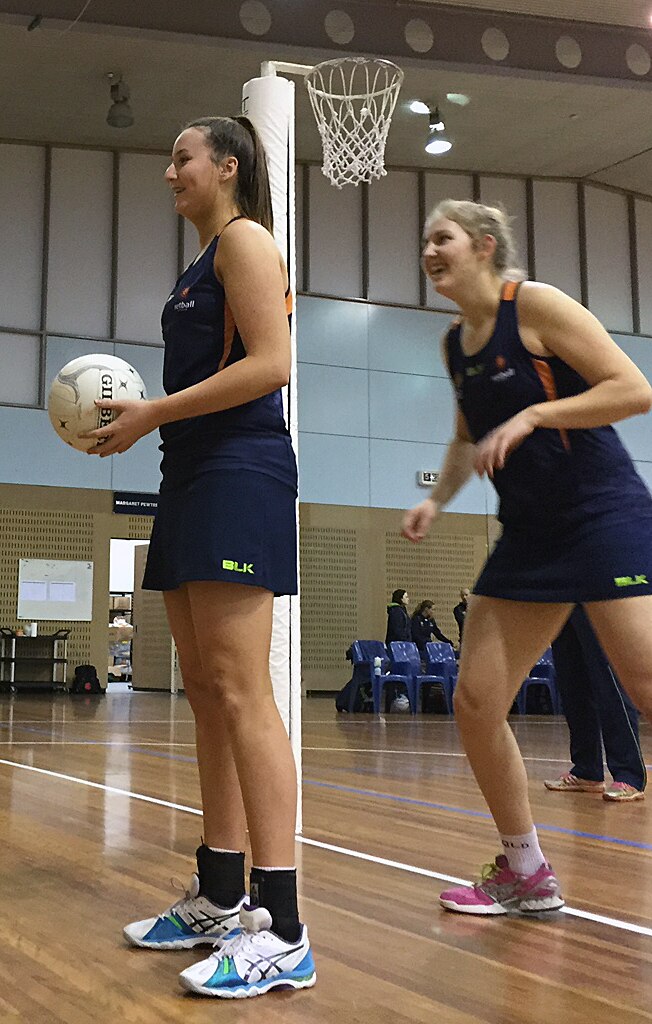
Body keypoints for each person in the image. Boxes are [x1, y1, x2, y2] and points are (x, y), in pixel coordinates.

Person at [83, 116, 315, 996]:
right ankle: (220, 893)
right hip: (186, 475)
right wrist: (147, 427)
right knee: (208, 692)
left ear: (228, 166)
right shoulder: (199, 260)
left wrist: (154, 411)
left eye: (182, 156)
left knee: (242, 687)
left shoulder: (247, 240)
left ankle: (284, 927)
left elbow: (273, 365)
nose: (169, 169)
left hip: (239, 471)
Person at [402, 198, 652, 916]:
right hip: (531, 534)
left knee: (644, 684)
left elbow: (633, 390)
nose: (429, 249)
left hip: (603, 514)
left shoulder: (535, 305)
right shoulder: (456, 345)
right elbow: (462, 439)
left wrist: (537, 412)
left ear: (483, 246)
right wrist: (436, 501)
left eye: (441, 237)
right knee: (477, 701)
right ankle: (526, 870)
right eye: (425, 239)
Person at [545, 606, 646, 801]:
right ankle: (586, 770)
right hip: (560, 593)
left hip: (596, 589)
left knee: (609, 681)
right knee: (572, 682)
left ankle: (629, 774)